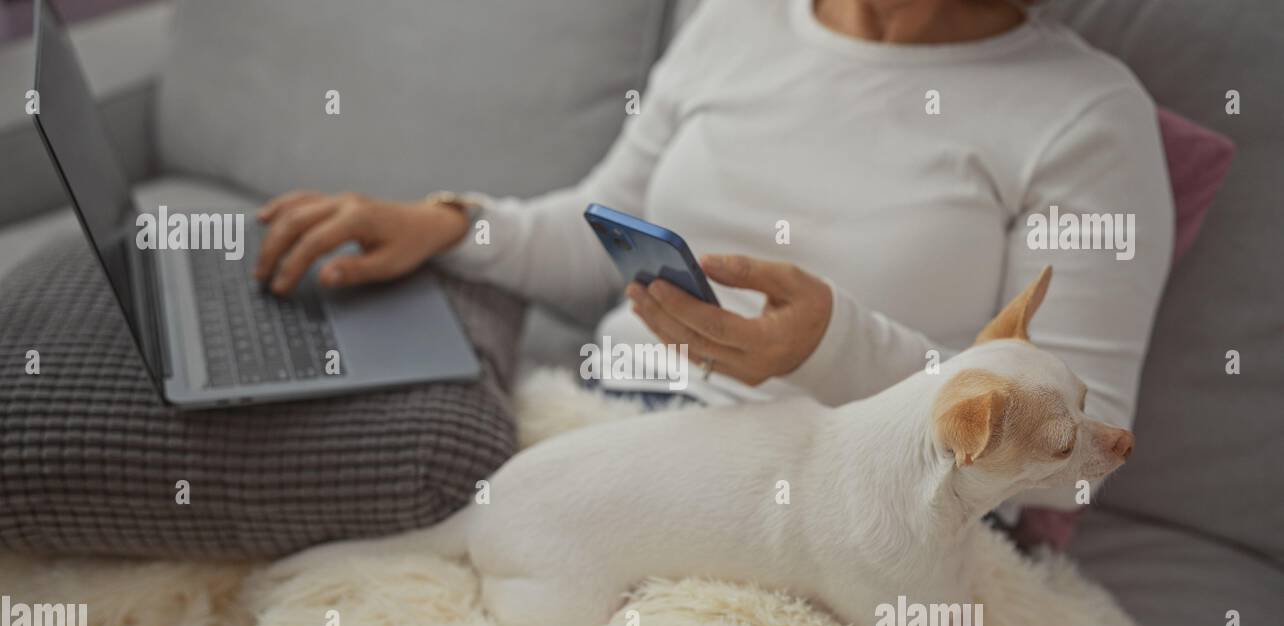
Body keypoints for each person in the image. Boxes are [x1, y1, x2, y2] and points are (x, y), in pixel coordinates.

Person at [252, 0, 1173, 514]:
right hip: (598, 428)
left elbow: (1086, 457)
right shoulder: (737, 20)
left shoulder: (1086, 116)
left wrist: (828, 346)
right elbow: (599, 232)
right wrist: (451, 225)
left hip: (847, 510)